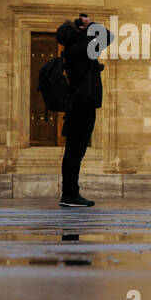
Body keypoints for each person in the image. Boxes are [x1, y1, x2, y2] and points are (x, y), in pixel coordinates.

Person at [56, 13, 105, 208]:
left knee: (73, 151)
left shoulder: (71, 50)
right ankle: (70, 195)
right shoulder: (84, 49)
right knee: (75, 151)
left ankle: (70, 194)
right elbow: (108, 36)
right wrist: (90, 25)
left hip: (77, 105)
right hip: (83, 106)